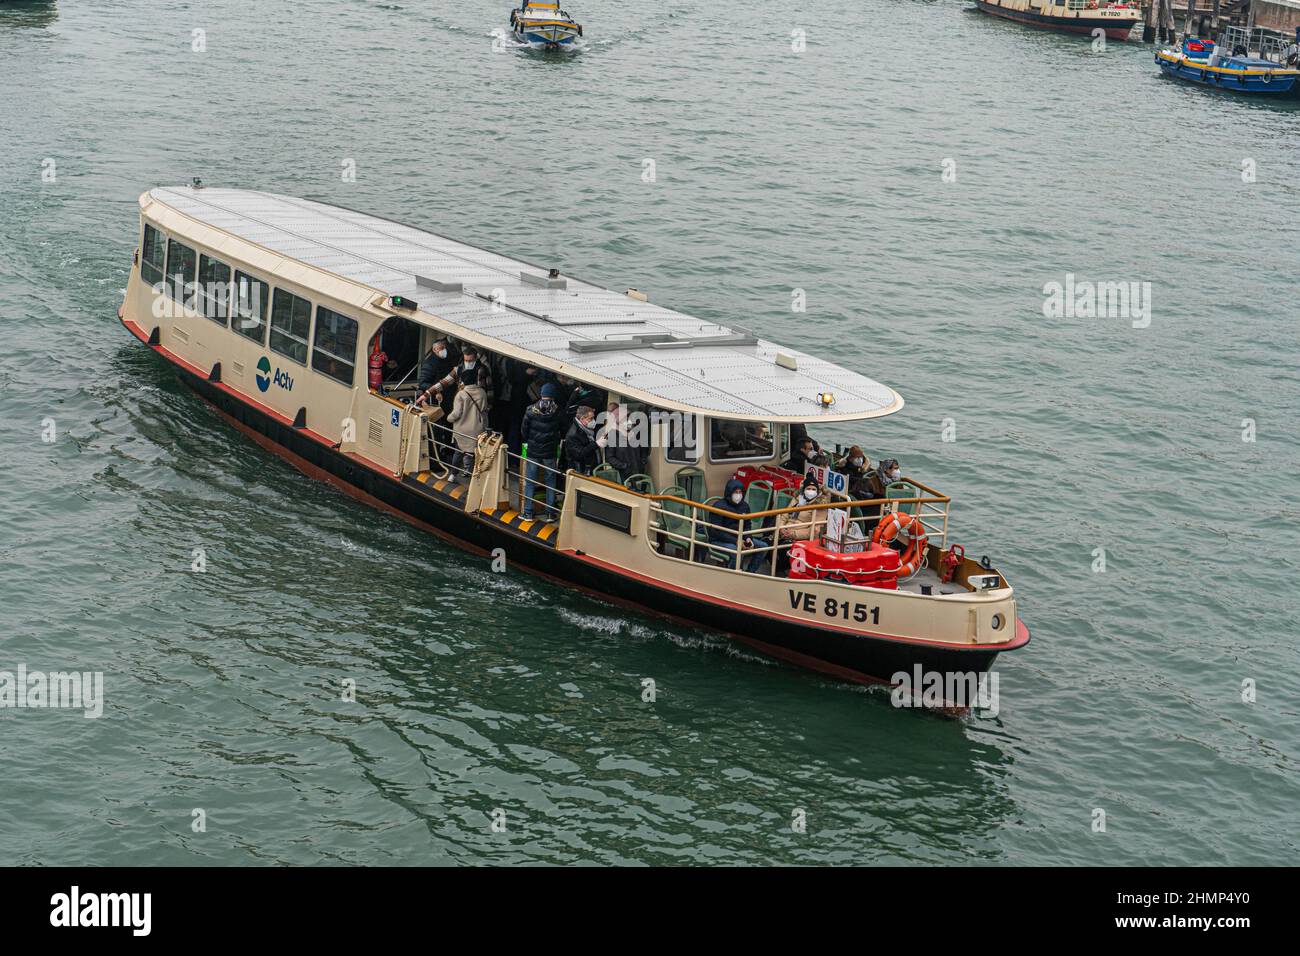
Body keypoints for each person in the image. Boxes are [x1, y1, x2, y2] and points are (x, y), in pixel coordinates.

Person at [520, 382, 565, 521]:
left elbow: (524, 431)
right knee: (550, 481)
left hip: (533, 451)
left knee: (530, 480)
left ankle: (528, 512)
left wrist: (530, 441)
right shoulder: (557, 411)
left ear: (541, 394)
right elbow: (562, 431)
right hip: (550, 453)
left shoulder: (530, 410)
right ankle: (550, 513)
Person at [707, 478, 769, 573]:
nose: (738, 495)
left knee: (764, 547)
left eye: (740, 492)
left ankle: (750, 572)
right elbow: (716, 532)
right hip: (719, 540)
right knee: (737, 552)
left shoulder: (744, 506)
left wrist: (748, 538)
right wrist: (736, 541)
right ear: (729, 492)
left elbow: (747, 525)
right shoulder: (718, 506)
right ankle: (733, 574)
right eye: (736, 492)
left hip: (739, 538)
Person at [774, 474, 830, 575]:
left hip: (799, 536)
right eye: (808, 488)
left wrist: (793, 534)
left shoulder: (820, 505)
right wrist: (781, 528)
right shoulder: (797, 499)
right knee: (767, 541)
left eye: (813, 489)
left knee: (782, 548)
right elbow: (785, 515)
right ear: (803, 490)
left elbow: (814, 530)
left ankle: (780, 573)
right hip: (786, 530)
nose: (811, 491)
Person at [445, 366, 489, 482]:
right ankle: (472, 474)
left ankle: (453, 475)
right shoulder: (482, 392)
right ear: (476, 379)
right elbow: (484, 409)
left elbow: (456, 413)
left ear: (463, 380)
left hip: (462, 429)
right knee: (476, 452)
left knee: (458, 452)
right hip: (478, 428)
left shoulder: (461, 394)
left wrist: (448, 418)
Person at [562, 405, 602, 475]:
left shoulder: (586, 429)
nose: (593, 421)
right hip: (580, 470)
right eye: (591, 418)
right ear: (582, 418)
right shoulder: (573, 434)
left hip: (590, 466)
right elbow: (579, 454)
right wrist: (596, 444)